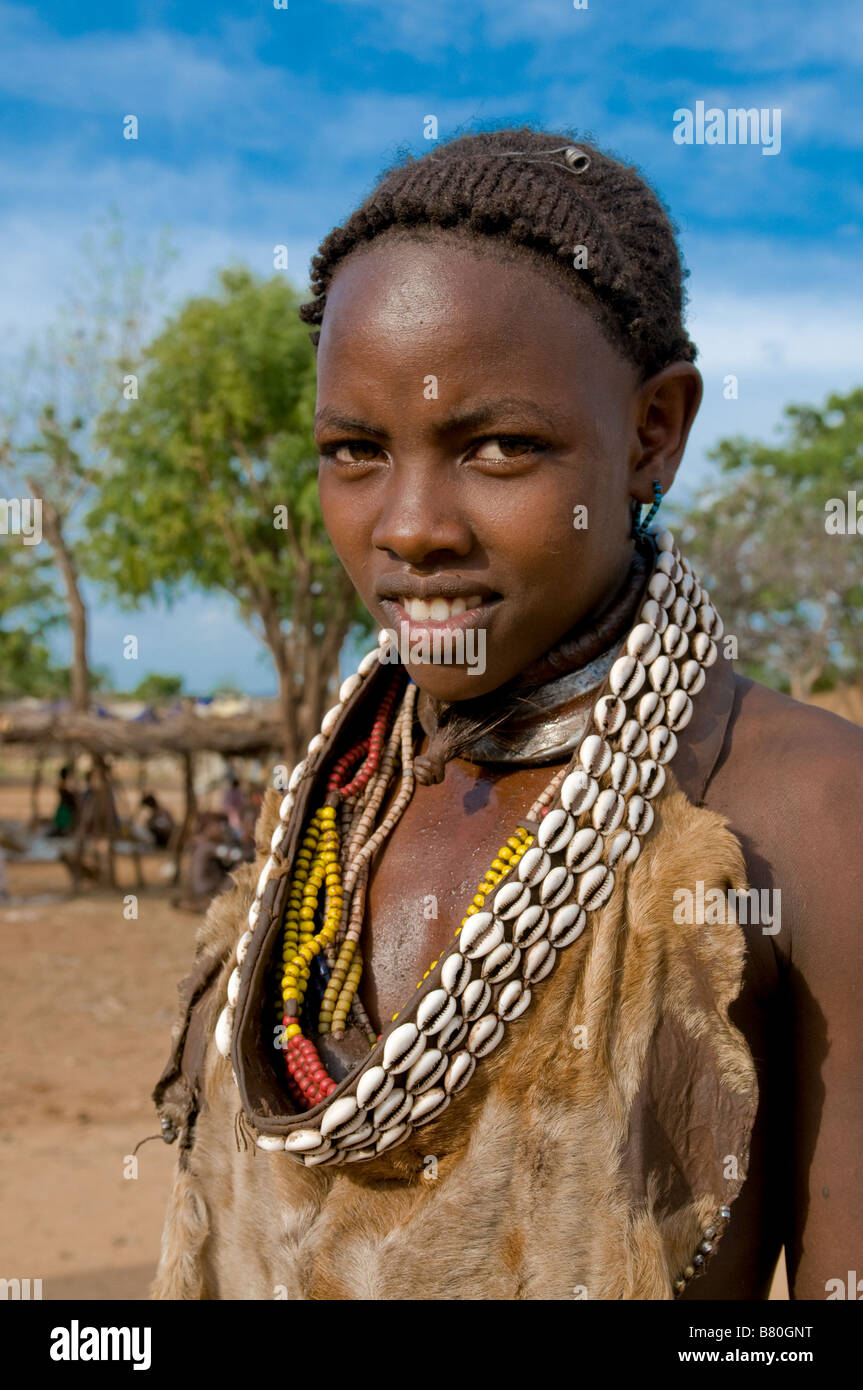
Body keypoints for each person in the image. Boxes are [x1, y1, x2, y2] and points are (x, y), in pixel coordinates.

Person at [151, 128, 863, 1301]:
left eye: (498, 446)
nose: (412, 525)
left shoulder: (807, 811)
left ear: (652, 434)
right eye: (355, 451)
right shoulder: (330, 813)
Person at [46, 765, 78, 837]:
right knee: (63, 819)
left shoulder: (63, 782)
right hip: (65, 804)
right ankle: (61, 832)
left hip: (64, 804)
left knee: (62, 819)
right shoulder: (63, 783)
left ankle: (61, 832)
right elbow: (64, 793)